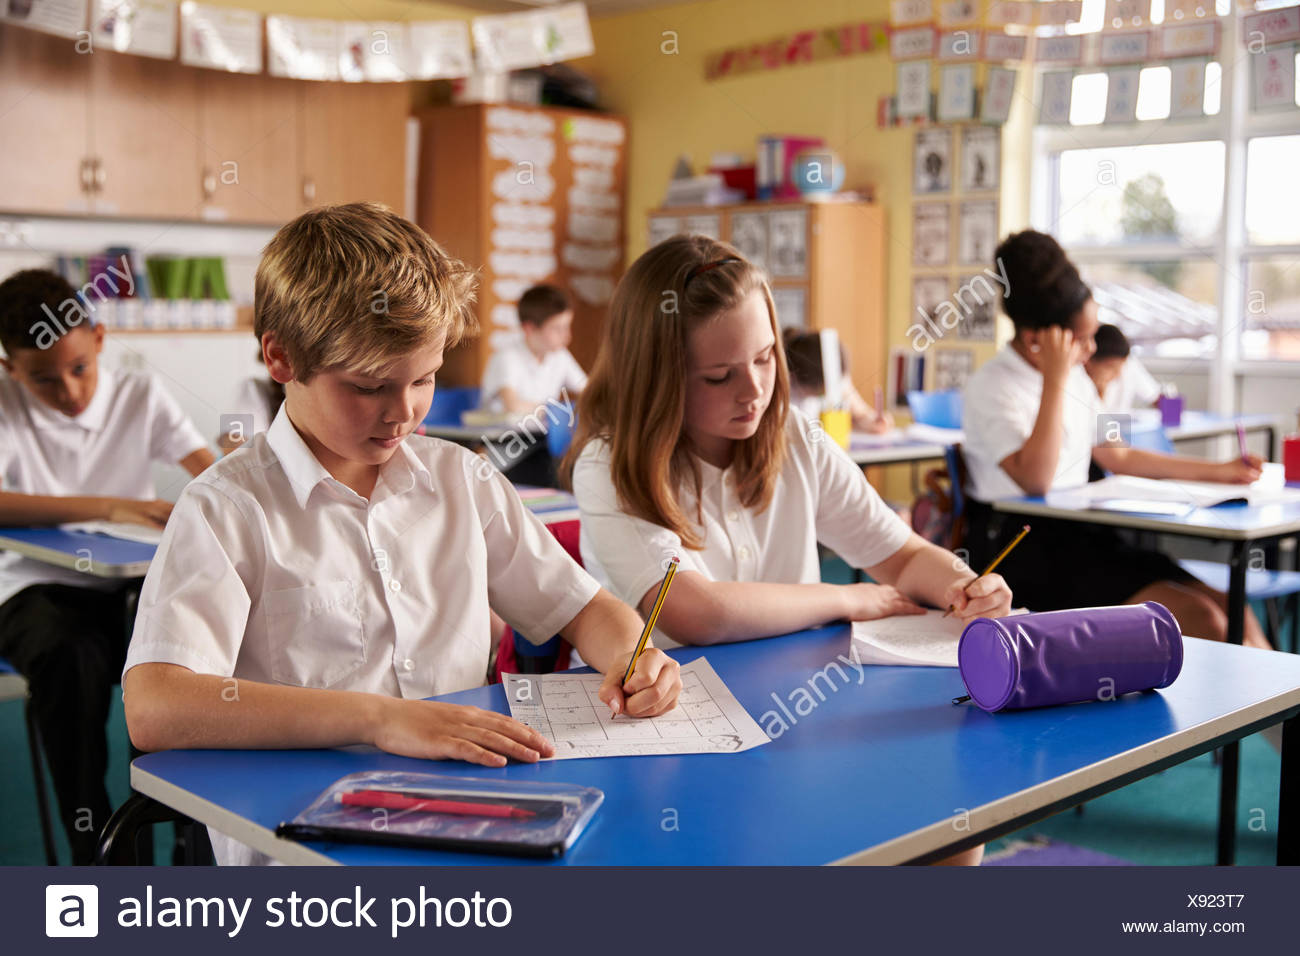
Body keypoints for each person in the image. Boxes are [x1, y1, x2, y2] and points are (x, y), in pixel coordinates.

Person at [120, 203, 681, 865]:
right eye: (369, 386)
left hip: (474, 819)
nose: (404, 411)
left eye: (425, 379)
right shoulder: (227, 507)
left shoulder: (460, 481)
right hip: (305, 845)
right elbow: (156, 705)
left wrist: (629, 654)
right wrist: (380, 718)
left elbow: (584, 607)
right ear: (280, 356)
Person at [564, 236, 1009, 865]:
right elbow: (696, 612)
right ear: (658, 380)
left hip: (801, 707)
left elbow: (903, 557)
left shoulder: (796, 437)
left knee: (953, 825)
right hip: (672, 734)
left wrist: (963, 583)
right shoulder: (612, 466)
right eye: (719, 376)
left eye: (767, 359)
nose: (754, 390)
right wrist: (851, 597)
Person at [961, 230, 1268, 648]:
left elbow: (1117, 452)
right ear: (1039, 339)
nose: (1091, 348)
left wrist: (1220, 471)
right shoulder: (992, 386)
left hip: (1091, 534)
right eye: (1082, 339)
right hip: (1027, 548)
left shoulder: (1079, 381)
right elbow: (1036, 479)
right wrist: (1054, 379)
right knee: (1205, 622)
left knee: (1233, 608)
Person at [0, 267, 214, 862]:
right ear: (9, 370)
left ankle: (183, 839)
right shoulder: (3, 404)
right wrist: (112, 504)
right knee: (72, 663)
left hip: (134, 586)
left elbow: (211, 470)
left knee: (186, 667)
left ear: (98, 339)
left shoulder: (139, 393)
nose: (69, 393)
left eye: (78, 368)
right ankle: (103, 860)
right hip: (36, 589)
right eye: (43, 379)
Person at [479, 284, 587, 484]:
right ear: (529, 328)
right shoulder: (507, 357)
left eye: (567, 326)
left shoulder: (560, 356)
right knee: (561, 476)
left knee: (581, 468)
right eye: (557, 328)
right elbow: (512, 404)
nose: (567, 336)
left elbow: (589, 391)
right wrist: (557, 410)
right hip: (509, 453)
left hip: (543, 444)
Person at [782, 328, 892, 434]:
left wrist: (872, 421)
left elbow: (860, 414)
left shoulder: (836, 375)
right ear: (794, 377)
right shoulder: (782, 389)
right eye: (821, 394)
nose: (831, 393)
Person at [1085, 323, 1160, 412]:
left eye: (1120, 367)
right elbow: (1095, 421)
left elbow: (1155, 397)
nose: (1118, 374)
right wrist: (1101, 394)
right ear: (1088, 361)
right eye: (1111, 367)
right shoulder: (1077, 378)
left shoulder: (1129, 364)